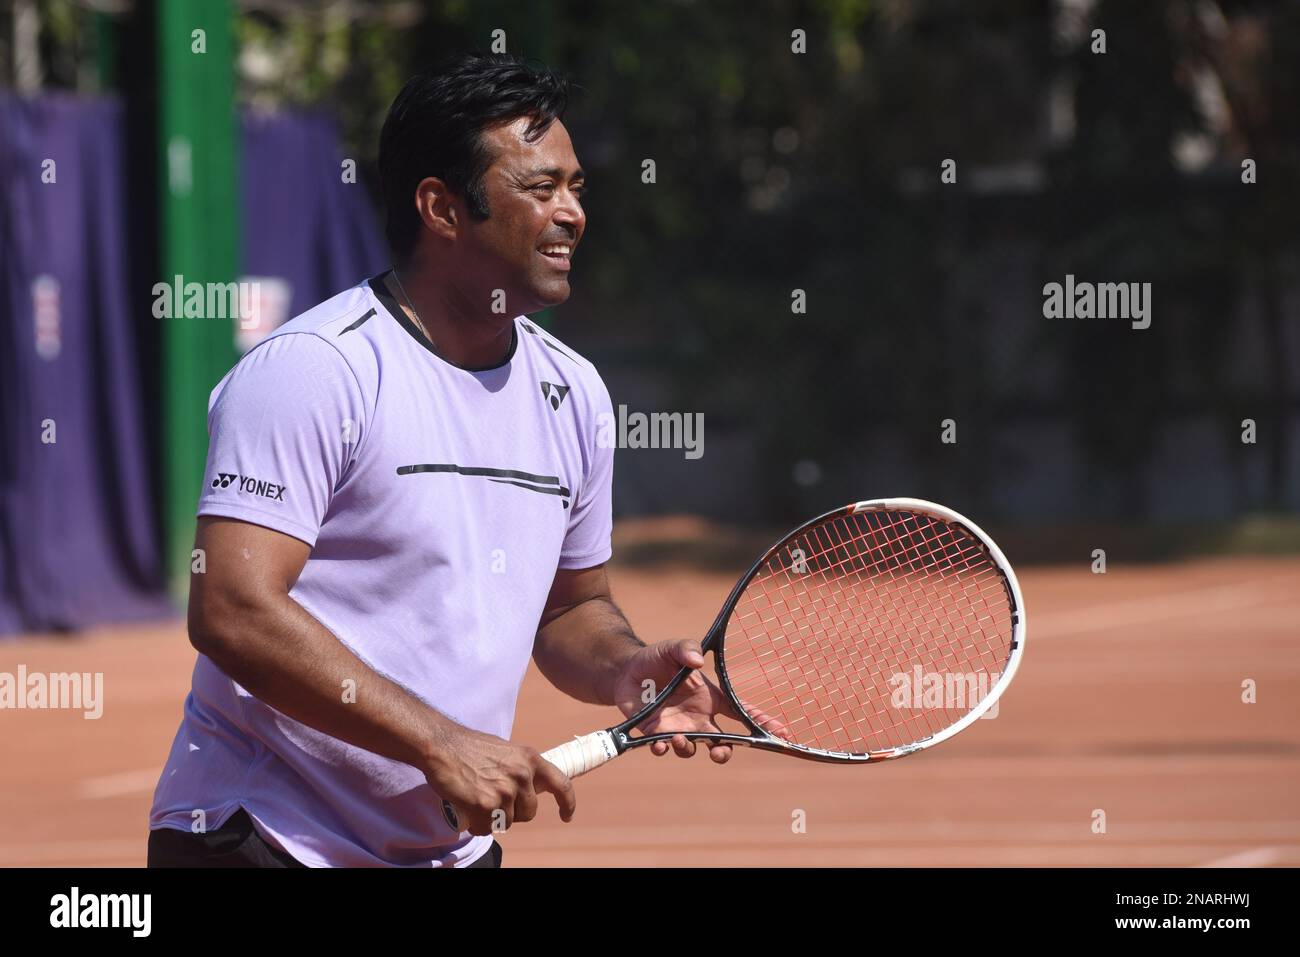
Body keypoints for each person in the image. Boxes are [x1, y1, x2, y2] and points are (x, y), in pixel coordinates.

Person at [147, 51, 737, 868]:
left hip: (446, 852)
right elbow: (232, 610)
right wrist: (437, 742)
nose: (572, 213)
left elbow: (572, 610)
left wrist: (630, 668)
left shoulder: (575, 392)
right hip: (265, 837)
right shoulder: (313, 370)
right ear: (442, 208)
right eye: (540, 188)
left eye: (576, 187)